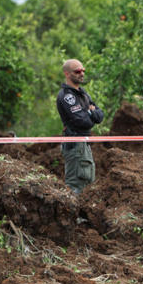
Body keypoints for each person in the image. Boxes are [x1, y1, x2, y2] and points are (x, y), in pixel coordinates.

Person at [56, 59, 104, 193]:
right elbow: (83, 122)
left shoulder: (83, 93)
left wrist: (91, 113)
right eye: (77, 71)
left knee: (88, 184)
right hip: (75, 145)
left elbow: (100, 115)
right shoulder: (66, 96)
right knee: (76, 186)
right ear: (67, 74)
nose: (81, 73)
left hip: (84, 145)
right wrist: (91, 112)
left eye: (83, 70)